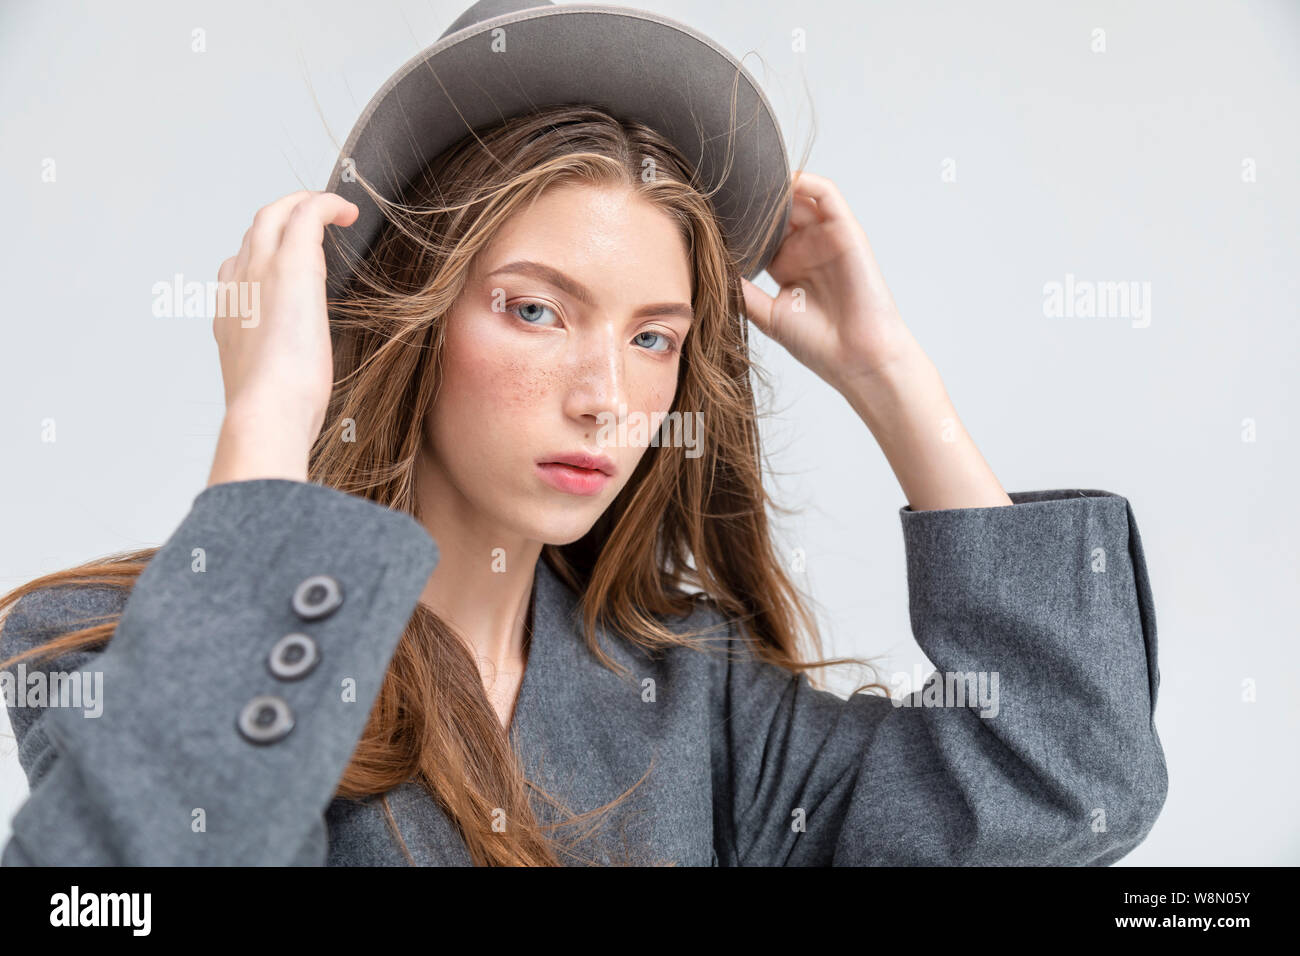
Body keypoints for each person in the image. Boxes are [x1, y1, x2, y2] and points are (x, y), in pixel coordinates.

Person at [0, 9, 1167, 868]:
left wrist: (896, 382)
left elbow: (1068, 786)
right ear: (410, 311)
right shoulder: (101, 649)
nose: (607, 393)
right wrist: (265, 421)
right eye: (535, 309)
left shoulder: (694, 698)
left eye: (654, 337)